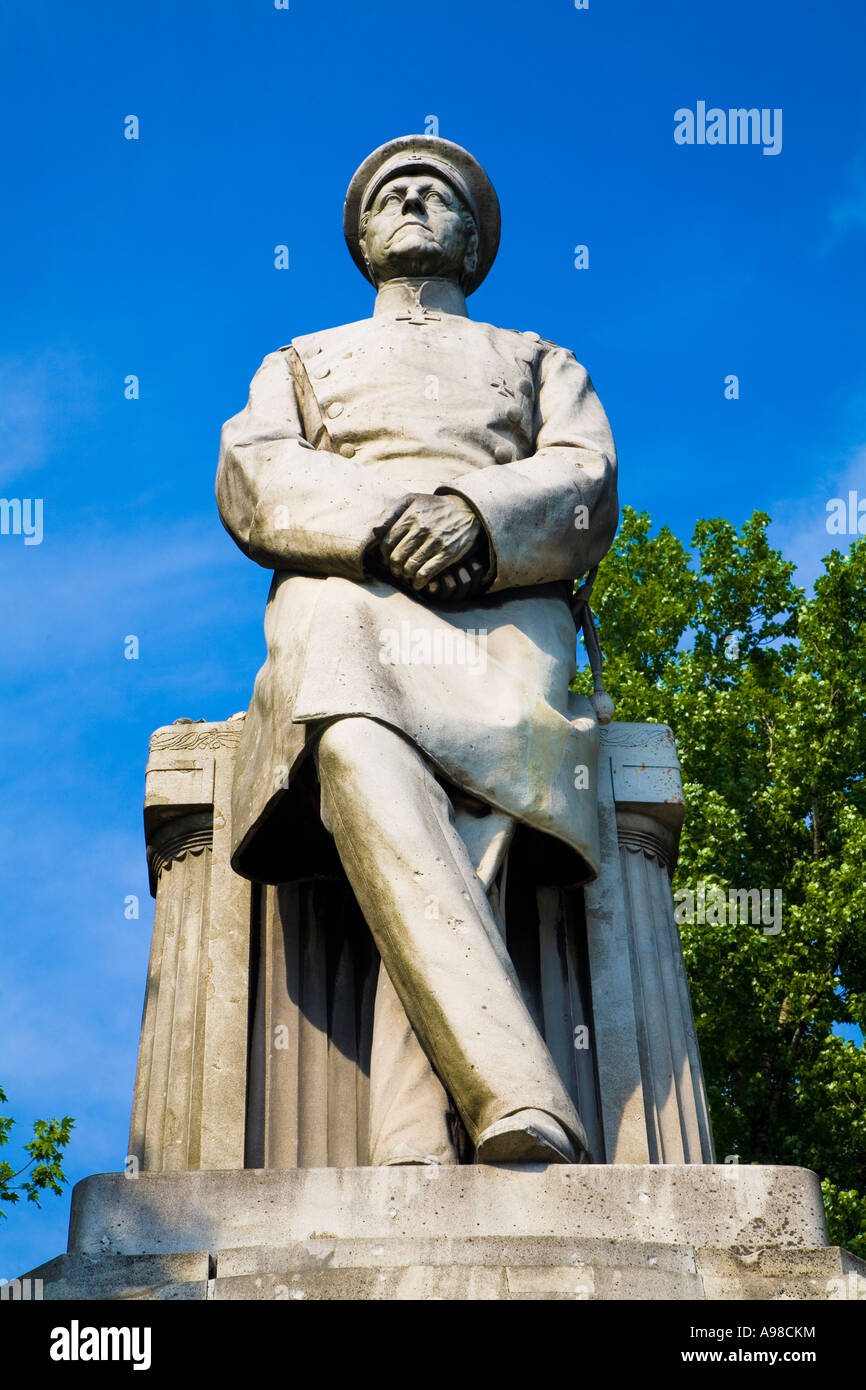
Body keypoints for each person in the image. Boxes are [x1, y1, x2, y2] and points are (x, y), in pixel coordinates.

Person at [216, 135, 618, 1165]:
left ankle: (413, 1134)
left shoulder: (536, 359)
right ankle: (517, 1088)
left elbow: (584, 476)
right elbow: (256, 475)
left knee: (474, 798)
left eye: (434, 194)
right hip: (346, 591)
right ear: (359, 236)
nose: (409, 200)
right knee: (351, 740)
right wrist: (394, 520)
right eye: (389, 194)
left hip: (503, 607)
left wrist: (474, 518)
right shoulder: (301, 358)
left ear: (471, 238)